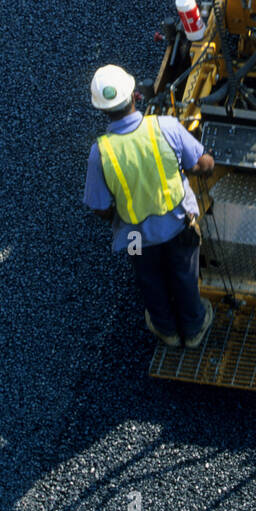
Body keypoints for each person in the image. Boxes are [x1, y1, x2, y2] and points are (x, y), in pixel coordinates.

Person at [84, 65, 216, 349]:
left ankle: (165, 329)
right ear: (135, 96)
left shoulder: (100, 153)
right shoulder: (164, 127)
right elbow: (202, 164)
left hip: (134, 238)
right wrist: (207, 162)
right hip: (179, 225)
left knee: (148, 278)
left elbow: (99, 206)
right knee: (185, 274)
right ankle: (193, 329)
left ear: (101, 109)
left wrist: (117, 218)